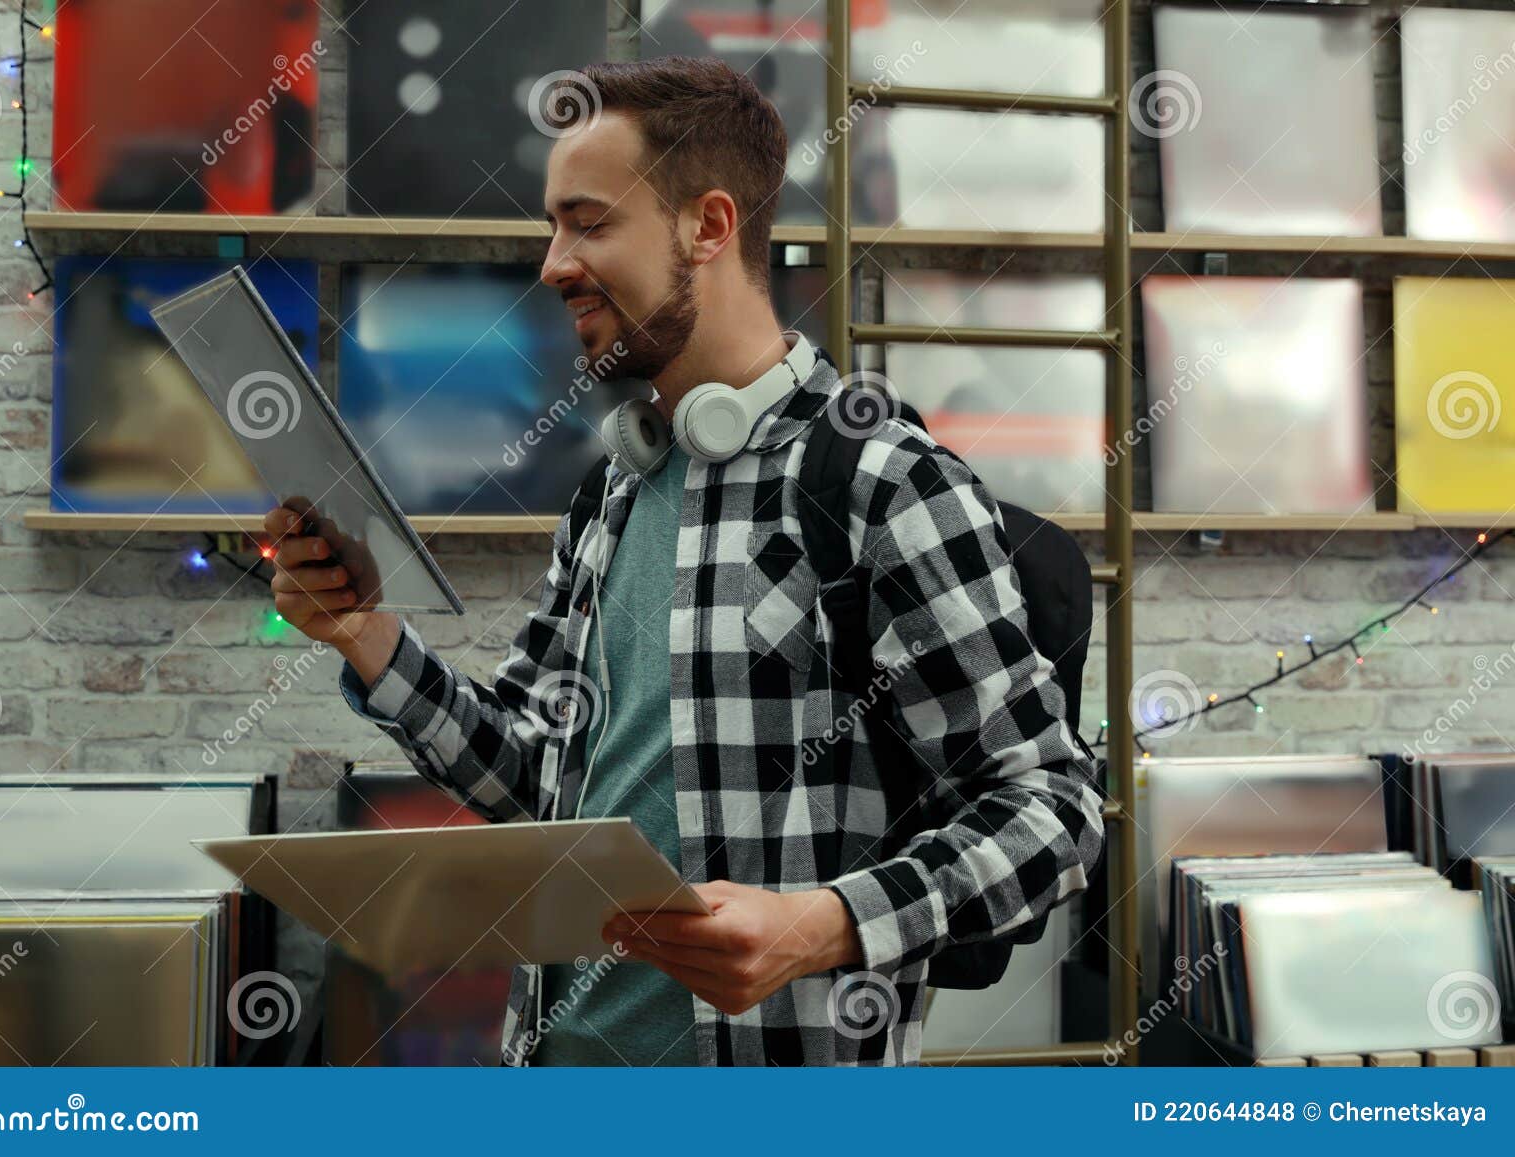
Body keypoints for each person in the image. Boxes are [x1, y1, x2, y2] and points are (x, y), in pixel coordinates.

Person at [265, 55, 1103, 1067]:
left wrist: (821, 923)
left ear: (707, 226)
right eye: (552, 225)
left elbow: (1051, 808)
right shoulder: (612, 490)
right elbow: (543, 781)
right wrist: (367, 637)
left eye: (587, 221)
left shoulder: (881, 481)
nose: (552, 263)